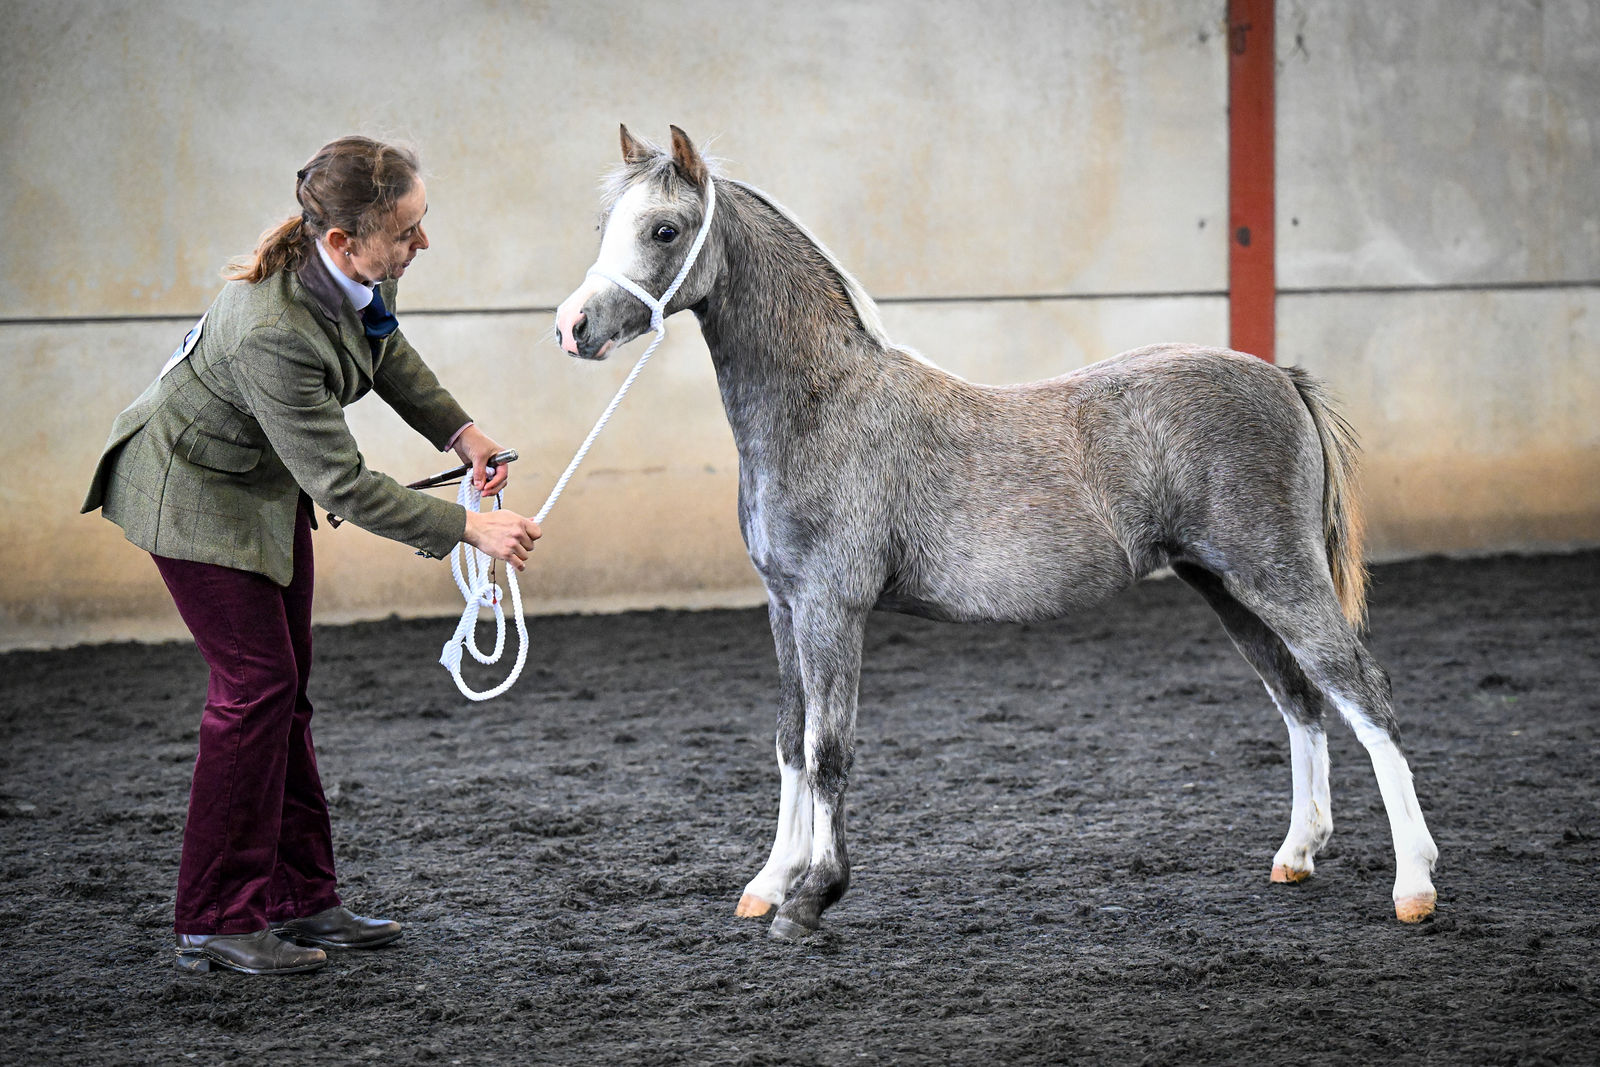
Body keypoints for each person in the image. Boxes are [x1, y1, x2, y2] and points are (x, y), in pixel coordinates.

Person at [81, 136, 541, 976]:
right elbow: (342, 482)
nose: (422, 241)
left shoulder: (363, 265)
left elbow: (385, 349)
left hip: (261, 484)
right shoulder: (273, 331)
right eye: (407, 230)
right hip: (192, 495)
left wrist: (461, 431)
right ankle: (214, 918)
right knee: (255, 690)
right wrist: (468, 529)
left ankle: (302, 899)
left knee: (283, 693)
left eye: (420, 221)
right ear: (341, 240)